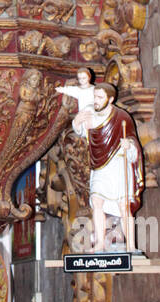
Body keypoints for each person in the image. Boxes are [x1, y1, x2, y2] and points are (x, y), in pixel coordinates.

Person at [86, 83, 144, 251]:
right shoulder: (92, 116)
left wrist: (129, 146)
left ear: (110, 99)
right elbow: (82, 130)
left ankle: (131, 246)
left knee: (124, 206)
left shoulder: (122, 117)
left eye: (100, 97)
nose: (96, 101)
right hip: (99, 166)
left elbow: (134, 143)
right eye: (95, 97)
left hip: (118, 165)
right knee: (97, 201)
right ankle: (99, 243)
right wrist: (79, 122)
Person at [55, 67, 99, 136]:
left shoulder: (94, 89)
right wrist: (61, 89)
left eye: (84, 78)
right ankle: (86, 134)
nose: (82, 80)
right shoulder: (78, 90)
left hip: (92, 111)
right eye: (80, 78)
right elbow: (69, 90)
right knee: (82, 123)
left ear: (89, 77)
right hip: (82, 112)